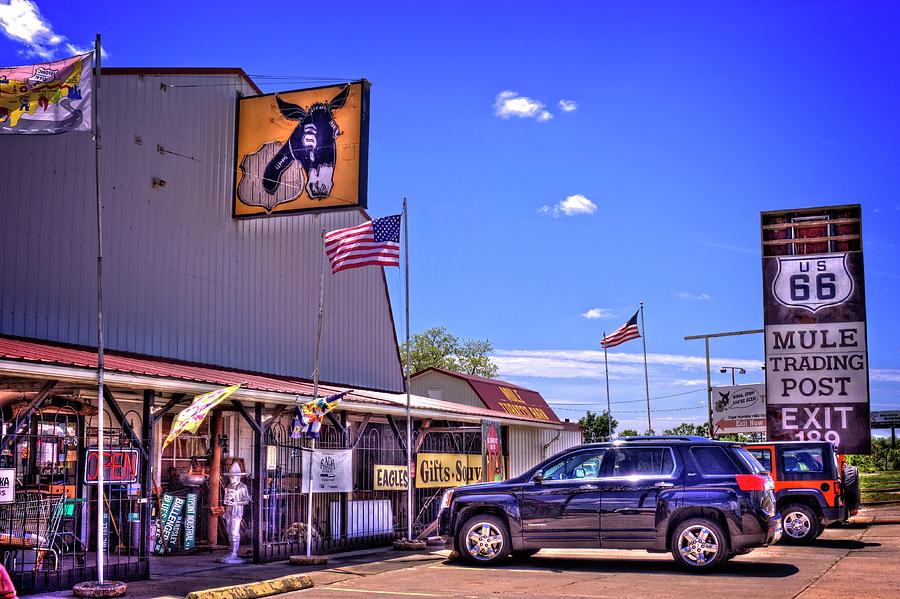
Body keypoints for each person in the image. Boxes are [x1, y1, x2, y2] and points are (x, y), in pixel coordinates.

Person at [221, 461, 250, 564]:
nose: (232, 478)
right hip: (229, 511)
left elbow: (246, 500)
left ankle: (234, 552)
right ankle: (231, 550)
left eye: (234, 477)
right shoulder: (229, 486)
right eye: (230, 477)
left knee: (234, 532)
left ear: (238, 477)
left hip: (237, 512)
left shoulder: (242, 487)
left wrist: (237, 502)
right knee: (229, 531)